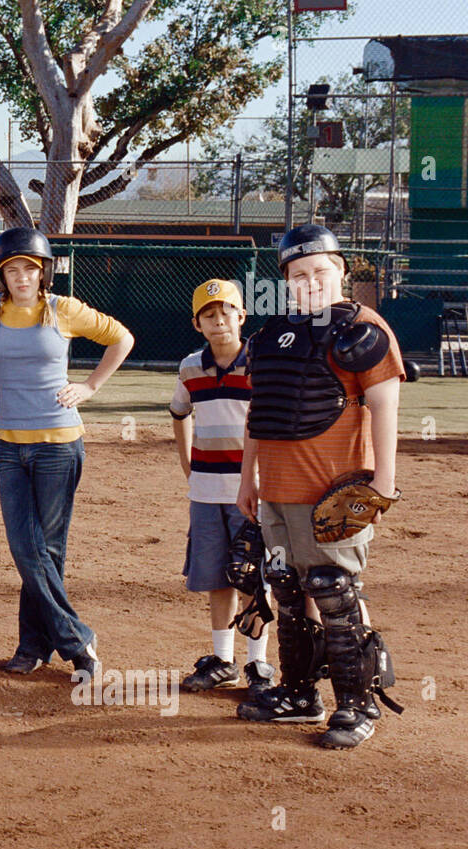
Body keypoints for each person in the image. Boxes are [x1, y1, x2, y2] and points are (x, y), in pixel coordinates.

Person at [235, 224, 404, 750]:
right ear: (286, 280)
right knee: (287, 589)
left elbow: (385, 409)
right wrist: (248, 479)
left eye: (320, 272)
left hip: (332, 491)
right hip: (278, 490)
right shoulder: (272, 334)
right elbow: (261, 414)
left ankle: (359, 704)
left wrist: (383, 484)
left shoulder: (364, 329)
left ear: (341, 272)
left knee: (335, 591)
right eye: (298, 274)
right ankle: (299, 693)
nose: (310, 282)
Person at [0, 227, 133, 678]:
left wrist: (90, 386)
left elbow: (122, 338)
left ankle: (33, 646)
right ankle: (77, 639)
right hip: (10, 448)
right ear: (0, 275)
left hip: (59, 446)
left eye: (30, 268)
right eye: (12, 269)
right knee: (26, 546)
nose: (21, 277)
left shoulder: (63, 310)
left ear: (44, 274)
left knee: (47, 549)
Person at [171, 279, 274, 697]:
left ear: (242, 316)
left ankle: (259, 664)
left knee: (255, 576)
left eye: (226, 312)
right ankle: (223, 660)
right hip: (206, 490)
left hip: (252, 492)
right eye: (208, 315)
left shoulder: (261, 363)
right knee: (217, 577)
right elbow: (180, 413)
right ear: (197, 324)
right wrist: (187, 467)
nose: (219, 321)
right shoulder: (190, 367)